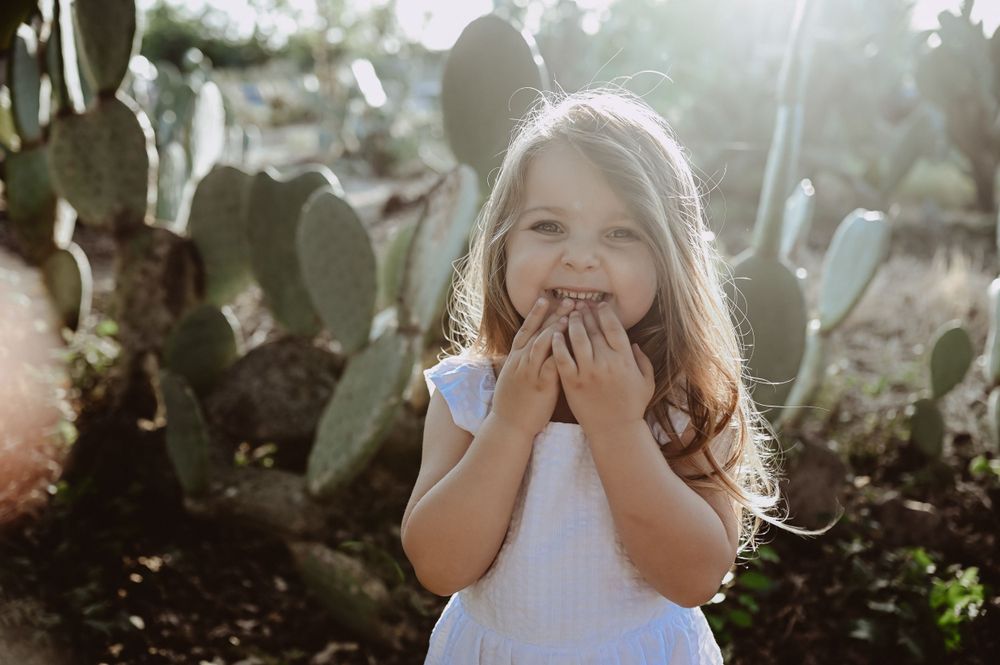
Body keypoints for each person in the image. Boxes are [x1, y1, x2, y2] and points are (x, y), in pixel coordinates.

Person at [401, 86, 819, 664]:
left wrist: (618, 428)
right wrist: (512, 423)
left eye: (622, 233)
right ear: (502, 246)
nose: (579, 257)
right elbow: (439, 565)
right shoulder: (469, 395)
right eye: (547, 226)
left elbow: (695, 577)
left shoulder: (686, 399)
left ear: (668, 260)